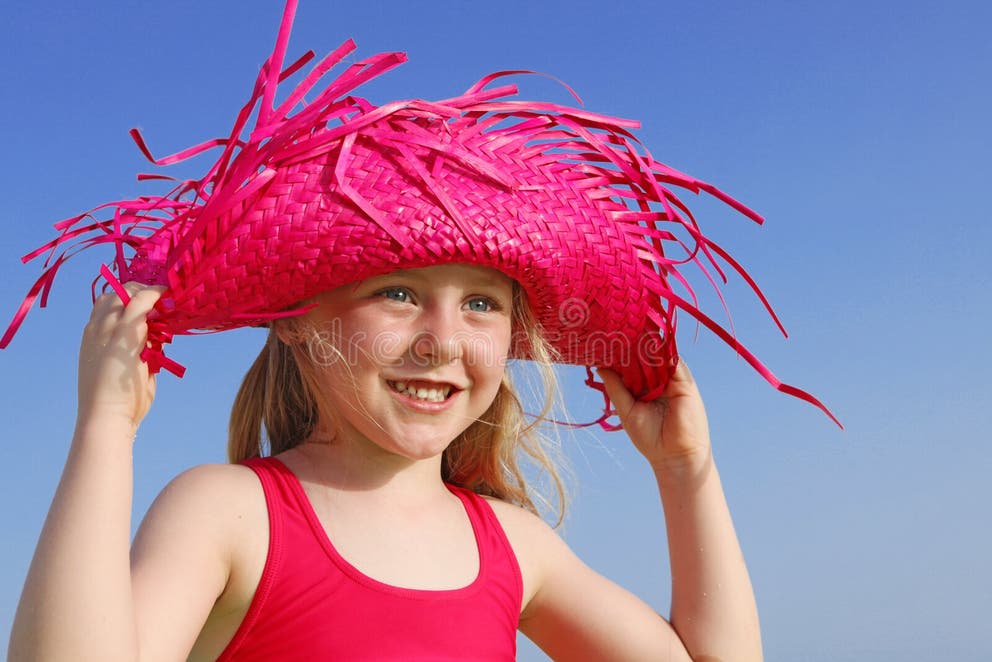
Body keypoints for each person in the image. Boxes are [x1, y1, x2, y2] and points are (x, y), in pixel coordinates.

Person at [5, 3, 832, 659]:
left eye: (482, 305)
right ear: (296, 321)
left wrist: (686, 474)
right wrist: (104, 428)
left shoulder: (511, 546)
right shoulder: (230, 514)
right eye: (398, 293)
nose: (443, 339)